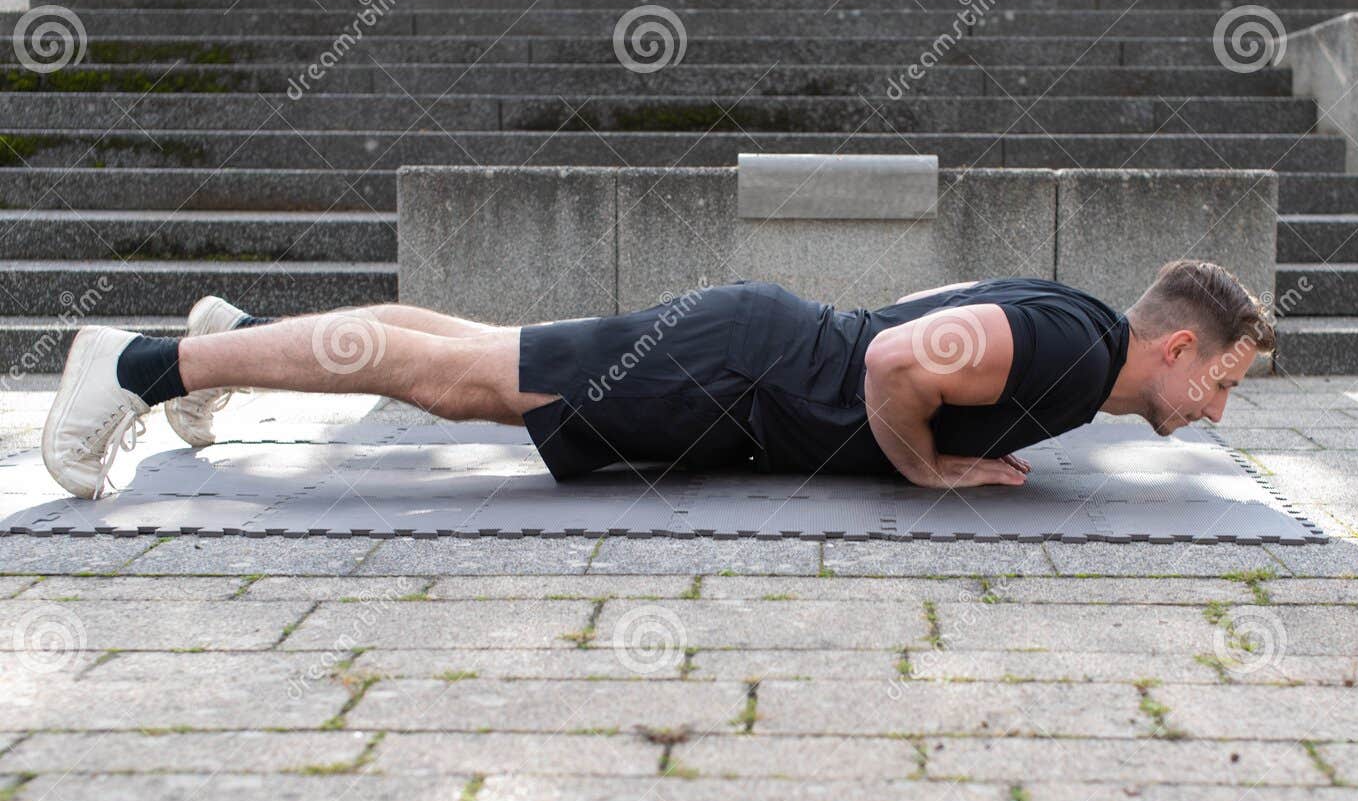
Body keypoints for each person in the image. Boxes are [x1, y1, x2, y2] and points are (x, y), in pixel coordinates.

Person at [40, 259, 1273, 500]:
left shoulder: (1069, 327)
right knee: (458, 382)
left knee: (471, 350)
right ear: (1174, 348)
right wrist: (926, 466)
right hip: (729, 369)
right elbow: (898, 355)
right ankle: (144, 365)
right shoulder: (1072, 352)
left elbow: (901, 317)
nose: (1217, 408)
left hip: (744, 349)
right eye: (1220, 382)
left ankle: (235, 335)